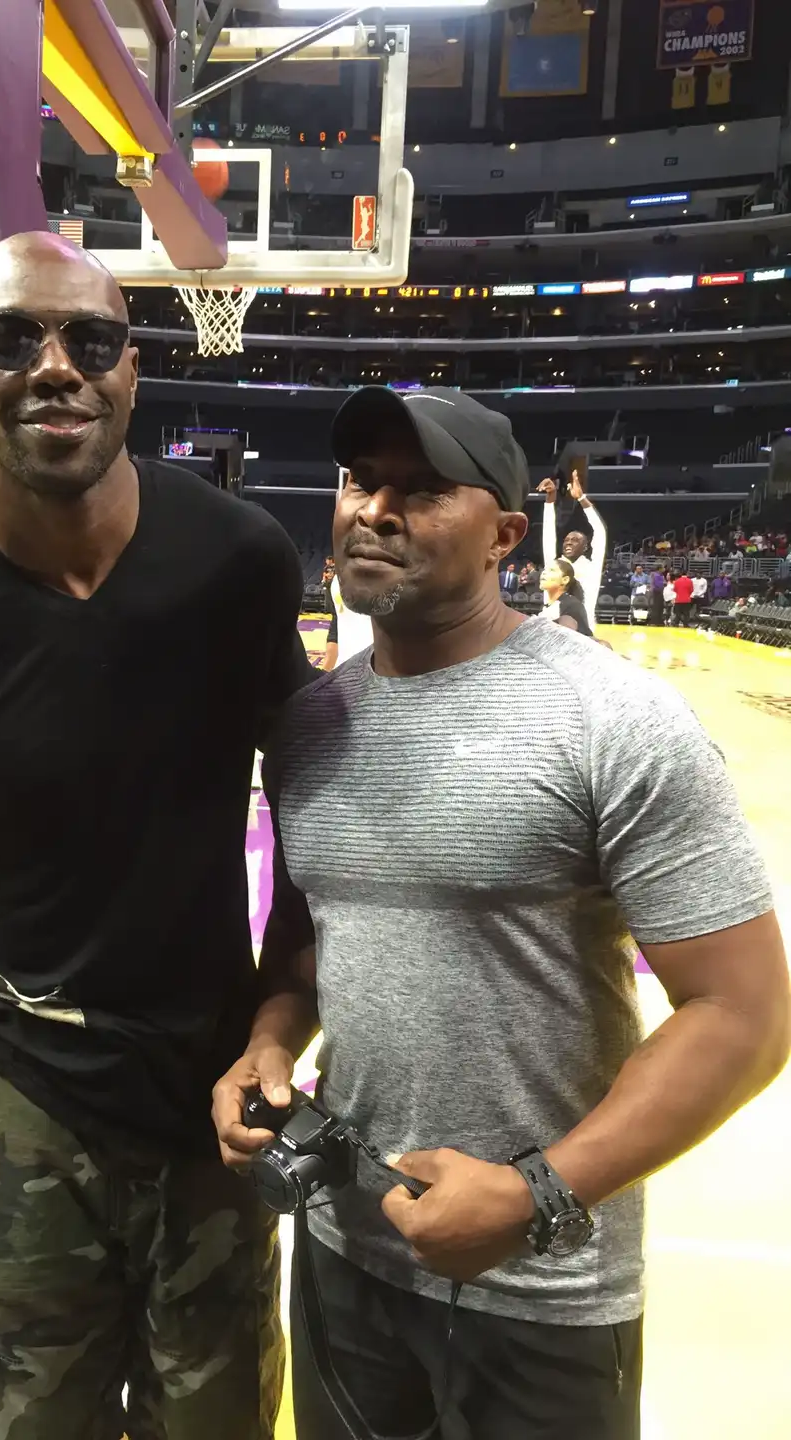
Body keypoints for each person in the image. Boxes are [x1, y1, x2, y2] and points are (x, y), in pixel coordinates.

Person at [211, 383, 790, 1440]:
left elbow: (745, 1018)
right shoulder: (307, 727)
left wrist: (540, 1196)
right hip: (348, 1262)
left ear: (507, 537)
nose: (374, 510)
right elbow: (300, 956)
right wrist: (267, 1044)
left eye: (422, 491)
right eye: (360, 483)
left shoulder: (613, 719)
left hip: (546, 1292)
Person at [0, 232, 313, 1440]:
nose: (54, 368)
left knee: (224, 1423)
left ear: (131, 374)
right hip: (22, 1085)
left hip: (209, 1092)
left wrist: (278, 1022)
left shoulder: (237, 565)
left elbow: (320, 822)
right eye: (11, 339)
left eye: (89, 341)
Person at [537, 470, 608, 635]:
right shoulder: (555, 565)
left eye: (575, 540)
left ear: (585, 547)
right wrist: (550, 499)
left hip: (584, 631)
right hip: (550, 627)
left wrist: (582, 499)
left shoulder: (592, 567)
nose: (569, 542)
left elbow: (600, 531)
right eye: (567, 540)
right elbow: (547, 535)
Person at [322, 565, 374, 672]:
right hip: (345, 672)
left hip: (375, 675)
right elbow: (336, 625)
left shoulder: (388, 578)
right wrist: (325, 674)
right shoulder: (336, 581)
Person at [539, 557, 592, 636]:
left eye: (552, 570)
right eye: (545, 569)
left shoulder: (573, 605)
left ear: (565, 580)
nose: (544, 573)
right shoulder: (549, 605)